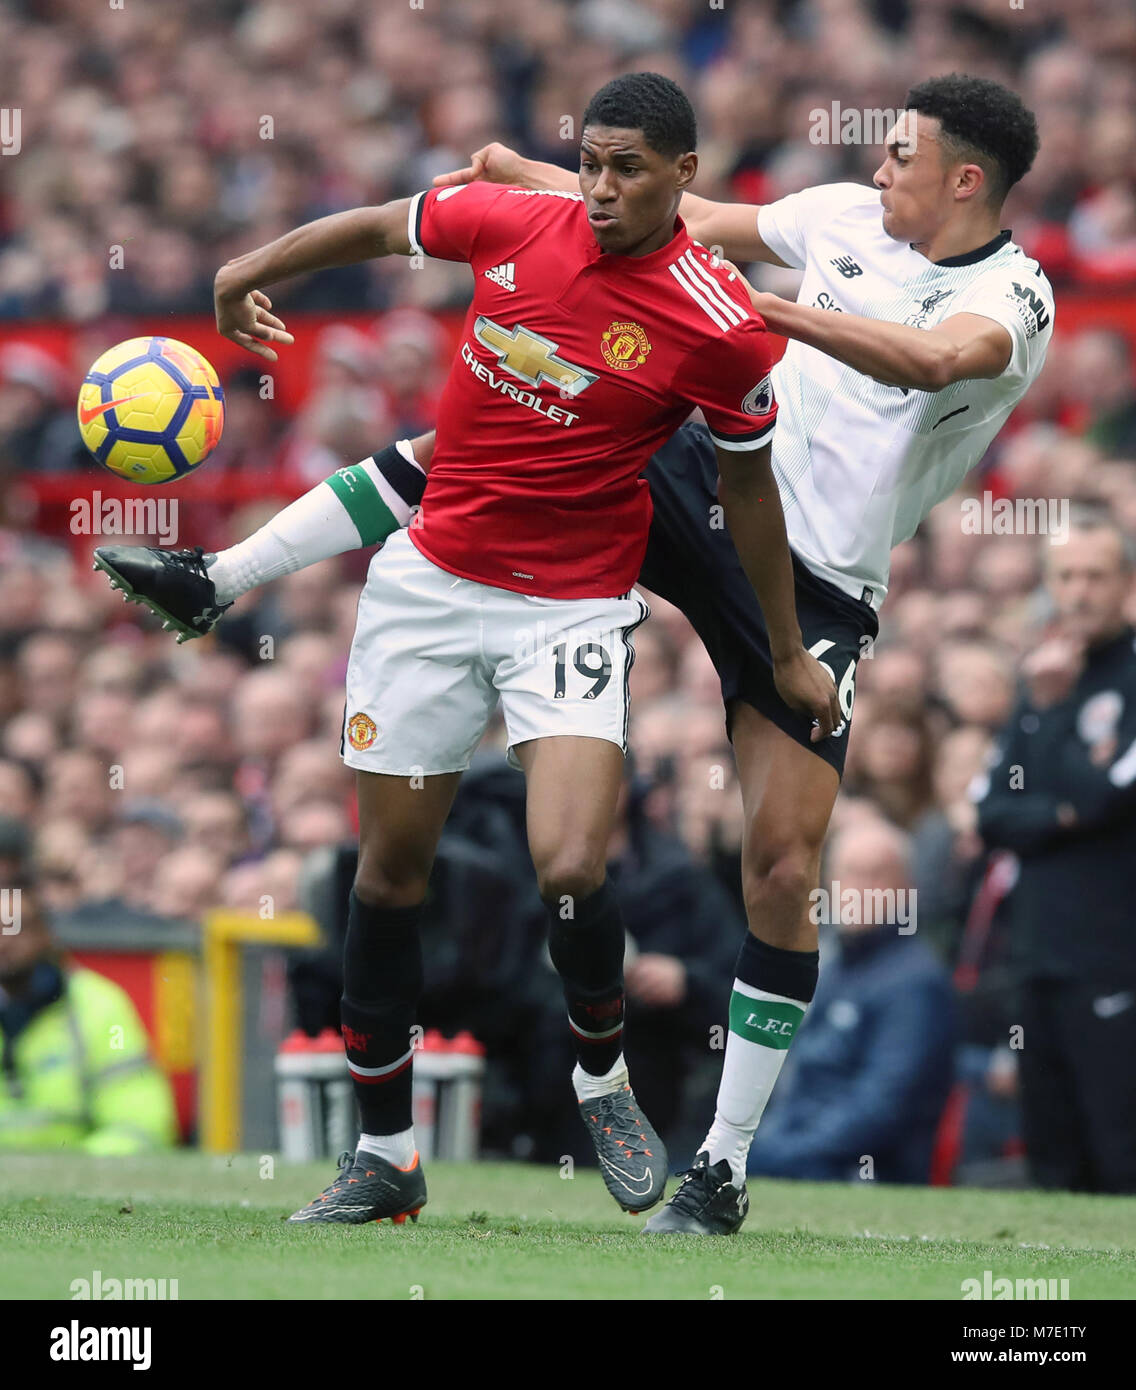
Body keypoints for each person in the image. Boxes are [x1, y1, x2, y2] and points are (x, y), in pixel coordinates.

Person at [94, 72, 1053, 1233]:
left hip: (817, 571)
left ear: (965, 178)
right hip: (702, 473)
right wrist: (538, 184)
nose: (878, 164)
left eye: (900, 152)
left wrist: (749, 316)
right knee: (490, 444)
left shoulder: (1016, 295)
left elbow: (932, 362)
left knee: (785, 865)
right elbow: (677, 220)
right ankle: (219, 579)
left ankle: (721, 1167)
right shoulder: (841, 215)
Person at [973, 506, 1136, 1193]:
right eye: (1066, 576)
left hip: (1115, 955)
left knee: (1119, 1155)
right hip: (1036, 951)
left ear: (1125, 581)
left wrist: (1057, 716)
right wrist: (1064, 807)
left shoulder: (1113, 679)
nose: (1079, 592)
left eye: (1095, 576)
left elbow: (1108, 798)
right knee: (1051, 1164)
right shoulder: (1041, 678)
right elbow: (989, 811)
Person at [746, 819, 955, 1183]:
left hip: (859, 1173)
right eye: (849, 874)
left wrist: (776, 1154)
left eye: (876, 875)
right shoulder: (828, 961)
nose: (860, 890)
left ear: (906, 886)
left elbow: (882, 1107)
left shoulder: (915, 982)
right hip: (789, 1146)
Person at [0, 873, 177, 1154]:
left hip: (74, 1173)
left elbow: (140, 1122)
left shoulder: (98, 1005)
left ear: (47, 934)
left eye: (17, 928)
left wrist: (71, 1171)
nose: (4, 942)